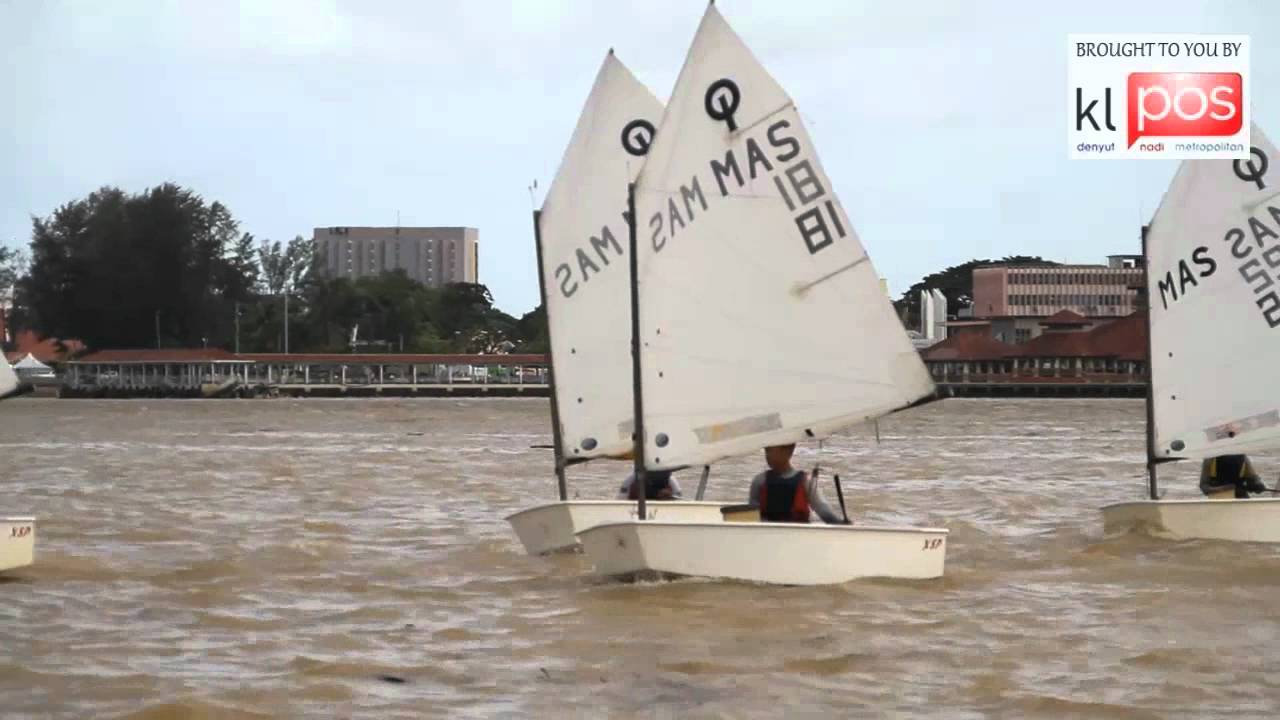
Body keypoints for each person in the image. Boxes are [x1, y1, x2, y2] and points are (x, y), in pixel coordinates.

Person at [747, 443, 848, 524]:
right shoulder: (759, 481)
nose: (767, 455)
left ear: (788, 450)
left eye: (770, 450)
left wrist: (839, 523)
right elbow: (752, 516)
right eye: (766, 451)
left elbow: (822, 510)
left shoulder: (806, 482)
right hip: (769, 535)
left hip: (798, 536)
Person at [1199, 454, 1268, 499]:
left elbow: (1254, 480)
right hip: (1218, 500)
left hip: (1241, 500)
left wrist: (1258, 486)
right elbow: (1204, 488)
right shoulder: (1210, 458)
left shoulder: (1243, 457)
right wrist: (1228, 488)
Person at [617, 468, 683, 501]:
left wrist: (669, 497)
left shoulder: (671, 481)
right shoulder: (631, 480)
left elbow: (679, 501)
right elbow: (620, 501)